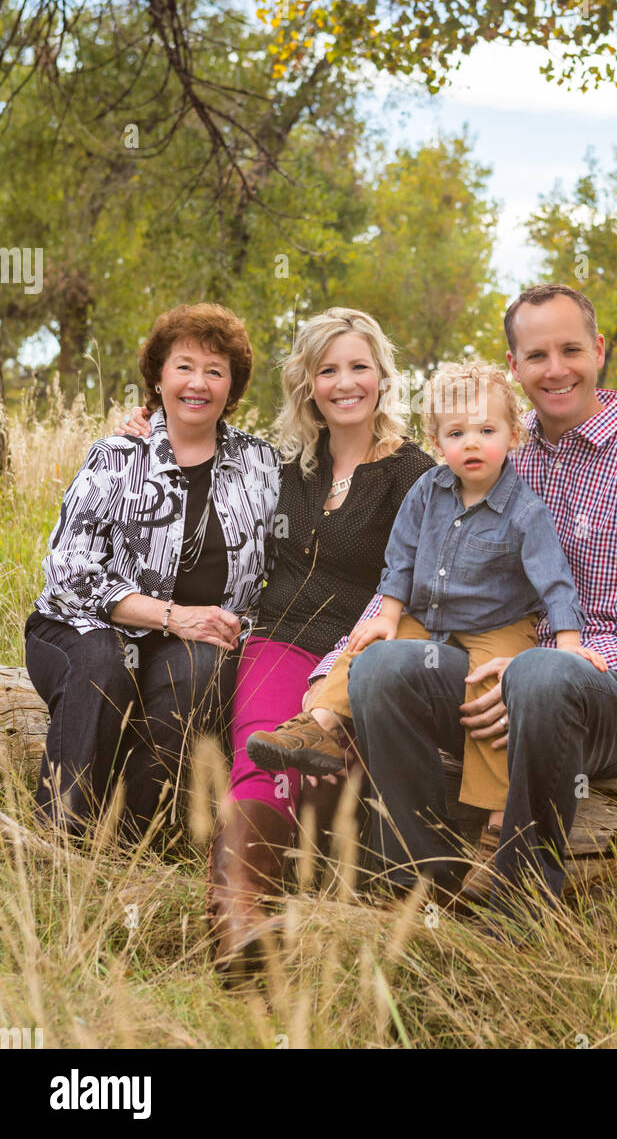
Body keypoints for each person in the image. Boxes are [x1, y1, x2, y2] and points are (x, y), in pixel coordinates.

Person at [307, 285, 617, 914]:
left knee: (544, 676)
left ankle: (518, 909)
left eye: (570, 349)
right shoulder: (493, 451)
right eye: (537, 354)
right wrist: (337, 669)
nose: (555, 369)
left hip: (600, 700)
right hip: (477, 678)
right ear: (514, 364)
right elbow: (414, 580)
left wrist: (552, 669)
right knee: (383, 670)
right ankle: (418, 887)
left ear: (598, 351)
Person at [118, 307, 434, 978]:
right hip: (280, 638)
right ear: (308, 384)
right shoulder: (283, 465)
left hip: (358, 656)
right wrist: (144, 430)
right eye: (328, 370)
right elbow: (195, 450)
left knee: (317, 772)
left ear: (381, 376)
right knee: (262, 753)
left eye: (358, 367)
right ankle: (238, 919)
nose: (344, 383)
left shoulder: (416, 474)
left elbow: (430, 583)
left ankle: (306, 887)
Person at [247, 358, 608, 898]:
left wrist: (570, 645)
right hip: (427, 613)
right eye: (456, 433)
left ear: (513, 436)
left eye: (486, 431)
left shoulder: (526, 511)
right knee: (369, 645)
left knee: (489, 690)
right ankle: (317, 724)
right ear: (438, 441)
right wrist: (389, 612)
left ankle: (492, 830)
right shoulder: (427, 491)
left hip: (498, 624)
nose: (472, 444)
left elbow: (556, 584)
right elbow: (401, 557)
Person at [24, 302, 281, 844]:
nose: (198, 383)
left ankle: (134, 842)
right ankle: (60, 838)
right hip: (82, 628)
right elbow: (69, 575)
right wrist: (173, 616)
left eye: (215, 370)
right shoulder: (117, 455)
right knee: (104, 660)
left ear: (232, 388)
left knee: (204, 667)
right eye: (184, 366)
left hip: (191, 641)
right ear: (159, 375)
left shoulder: (261, 464)